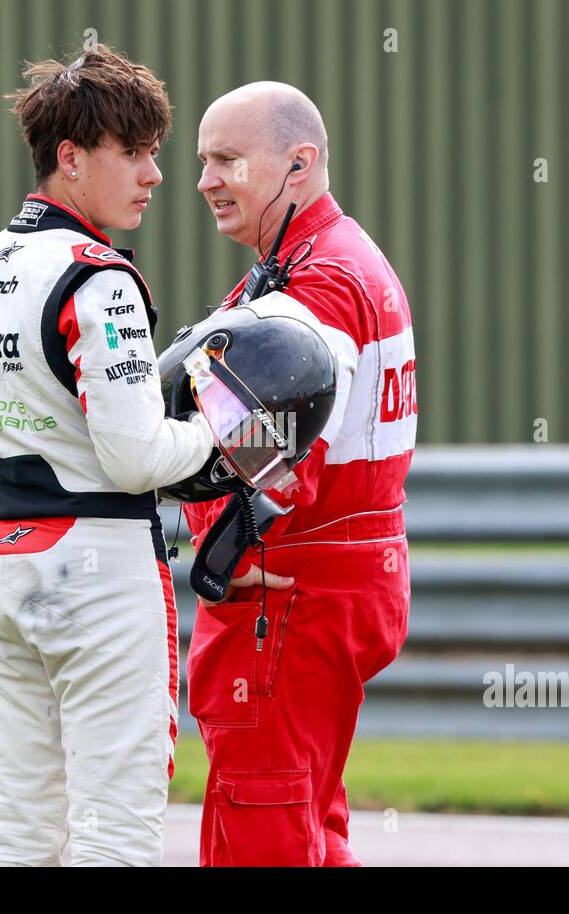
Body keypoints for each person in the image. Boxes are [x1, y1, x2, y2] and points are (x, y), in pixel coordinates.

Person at [0, 44, 216, 866]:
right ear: (69, 159)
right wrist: (224, 427)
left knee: (18, 824)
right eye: (131, 153)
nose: (155, 175)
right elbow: (135, 460)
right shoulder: (101, 278)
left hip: (4, 566)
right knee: (115, 833)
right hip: (100, 569)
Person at [184, 81, 418, 866]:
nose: (205, 180)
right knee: (309, 822)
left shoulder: (314, 284)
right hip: (338, 579)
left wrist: (220, 537)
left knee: (262, 827)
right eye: (202, 161)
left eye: (226, 160)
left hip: (290, 590)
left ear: (299, 162)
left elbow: (282, 464)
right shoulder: (331, 260)